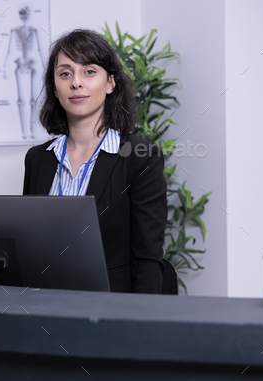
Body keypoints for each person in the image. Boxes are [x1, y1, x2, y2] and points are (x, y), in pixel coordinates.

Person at [23, 29, 167, 294]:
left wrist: (141, 326)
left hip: (110, 310)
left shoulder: (140, 158)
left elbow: (147, 260)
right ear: (55, 88)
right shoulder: (38, 160)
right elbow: (28, 250)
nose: (76, 83)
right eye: (65, 73)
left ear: (110, 83)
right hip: (44, 308)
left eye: (89, 71)